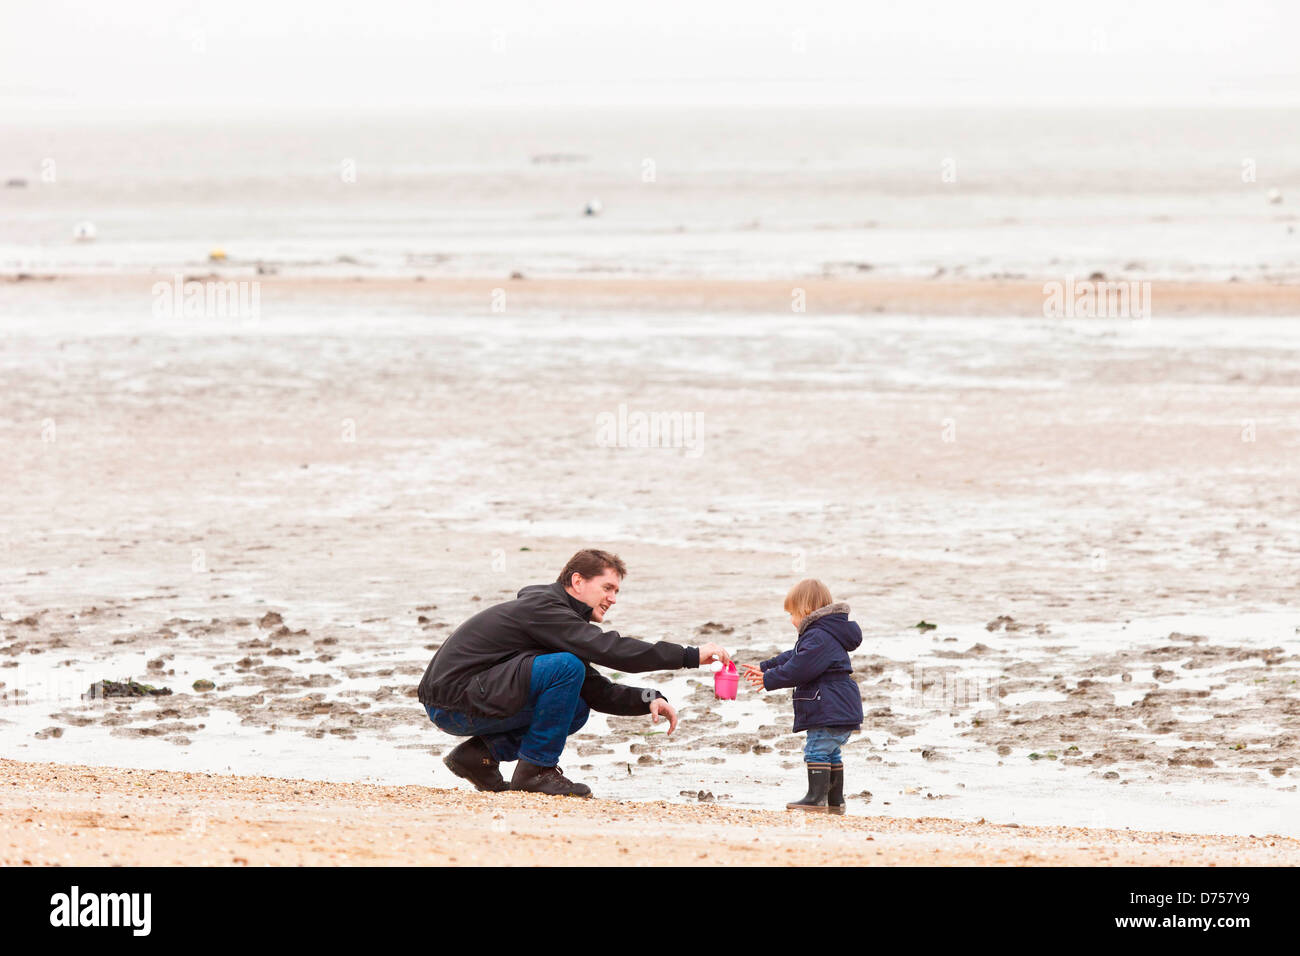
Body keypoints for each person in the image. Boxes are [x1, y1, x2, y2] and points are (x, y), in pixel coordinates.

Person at [417, 549, 731, 798]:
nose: (613, 599)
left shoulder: (562, 622)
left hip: (469, 701)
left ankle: (477, 757)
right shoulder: (545, 609)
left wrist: (650, 698)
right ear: (578, 582)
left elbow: (597, 691)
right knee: (566, 667)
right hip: (455, 700)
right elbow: (613, 649)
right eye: (607, 588)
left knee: (577, 706)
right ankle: (536, 772)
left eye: (617, 591)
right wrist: (690, 655)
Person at [743, 579, 863, 813]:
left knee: (816, 749)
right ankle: (834, 800)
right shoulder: (825, 635)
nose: (791, 620)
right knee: (831, 751)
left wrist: (769, 679)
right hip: (841, 707)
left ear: (806, 610)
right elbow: (795, 656)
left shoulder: (819, 637)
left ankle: (816, 799)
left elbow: (801, 668)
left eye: (792, 613)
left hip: (829, 708)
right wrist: (767, 666)